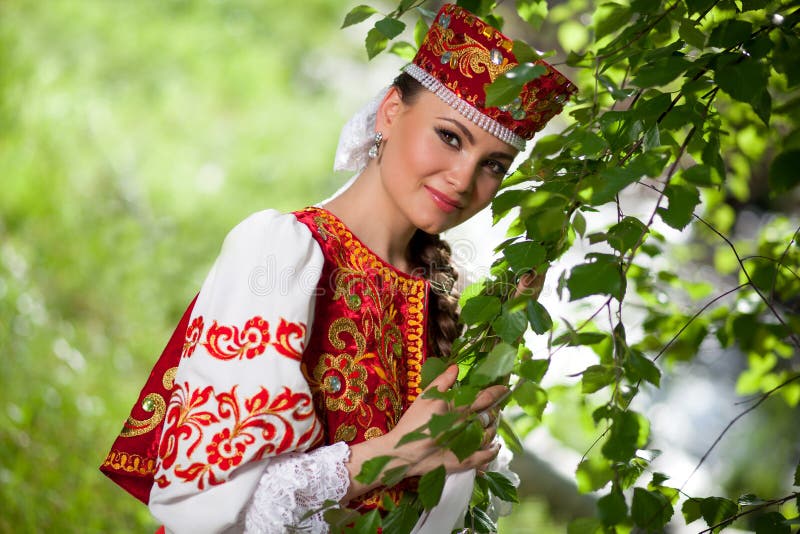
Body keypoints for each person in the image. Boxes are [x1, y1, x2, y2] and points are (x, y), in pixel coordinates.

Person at [100, 4, 576, 533]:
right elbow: (213, 509)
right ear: (391, 112)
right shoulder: (282, 255)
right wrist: (397, 453)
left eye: (493, 165)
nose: (464, 180)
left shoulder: (446, 295)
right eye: (450, 136)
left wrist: (495, 352)